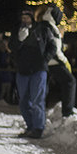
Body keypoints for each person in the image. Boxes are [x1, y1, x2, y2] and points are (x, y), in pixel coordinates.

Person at [12, 9, 49, 138]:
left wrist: (45, 59)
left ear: (32, 18)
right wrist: (19, 40)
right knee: (23, 100)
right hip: (23, 70)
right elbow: (12, 46)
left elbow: (52, 45)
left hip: (38, 70)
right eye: (23, 17)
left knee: (37, 99)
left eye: (27, 17)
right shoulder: (17, 30)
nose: (25, 20)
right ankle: (30, 126)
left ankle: (38, 128)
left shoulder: (42, 29)